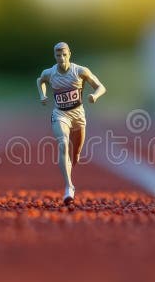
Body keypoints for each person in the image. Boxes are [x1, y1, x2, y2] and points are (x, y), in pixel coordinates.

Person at [37, 42, 106, 204]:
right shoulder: (49, 73)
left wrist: (95, 96)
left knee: (75, 154)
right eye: (58, 55)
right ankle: (69, 187)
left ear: (69, 54)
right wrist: (42, 95)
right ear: (55, 56)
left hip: (78, 115)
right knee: (63, 144)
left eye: (64, 55)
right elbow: (40, 80)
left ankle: (71, 164)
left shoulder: (80, 71)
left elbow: (100, 87)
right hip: (60, 114)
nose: (61, 58)